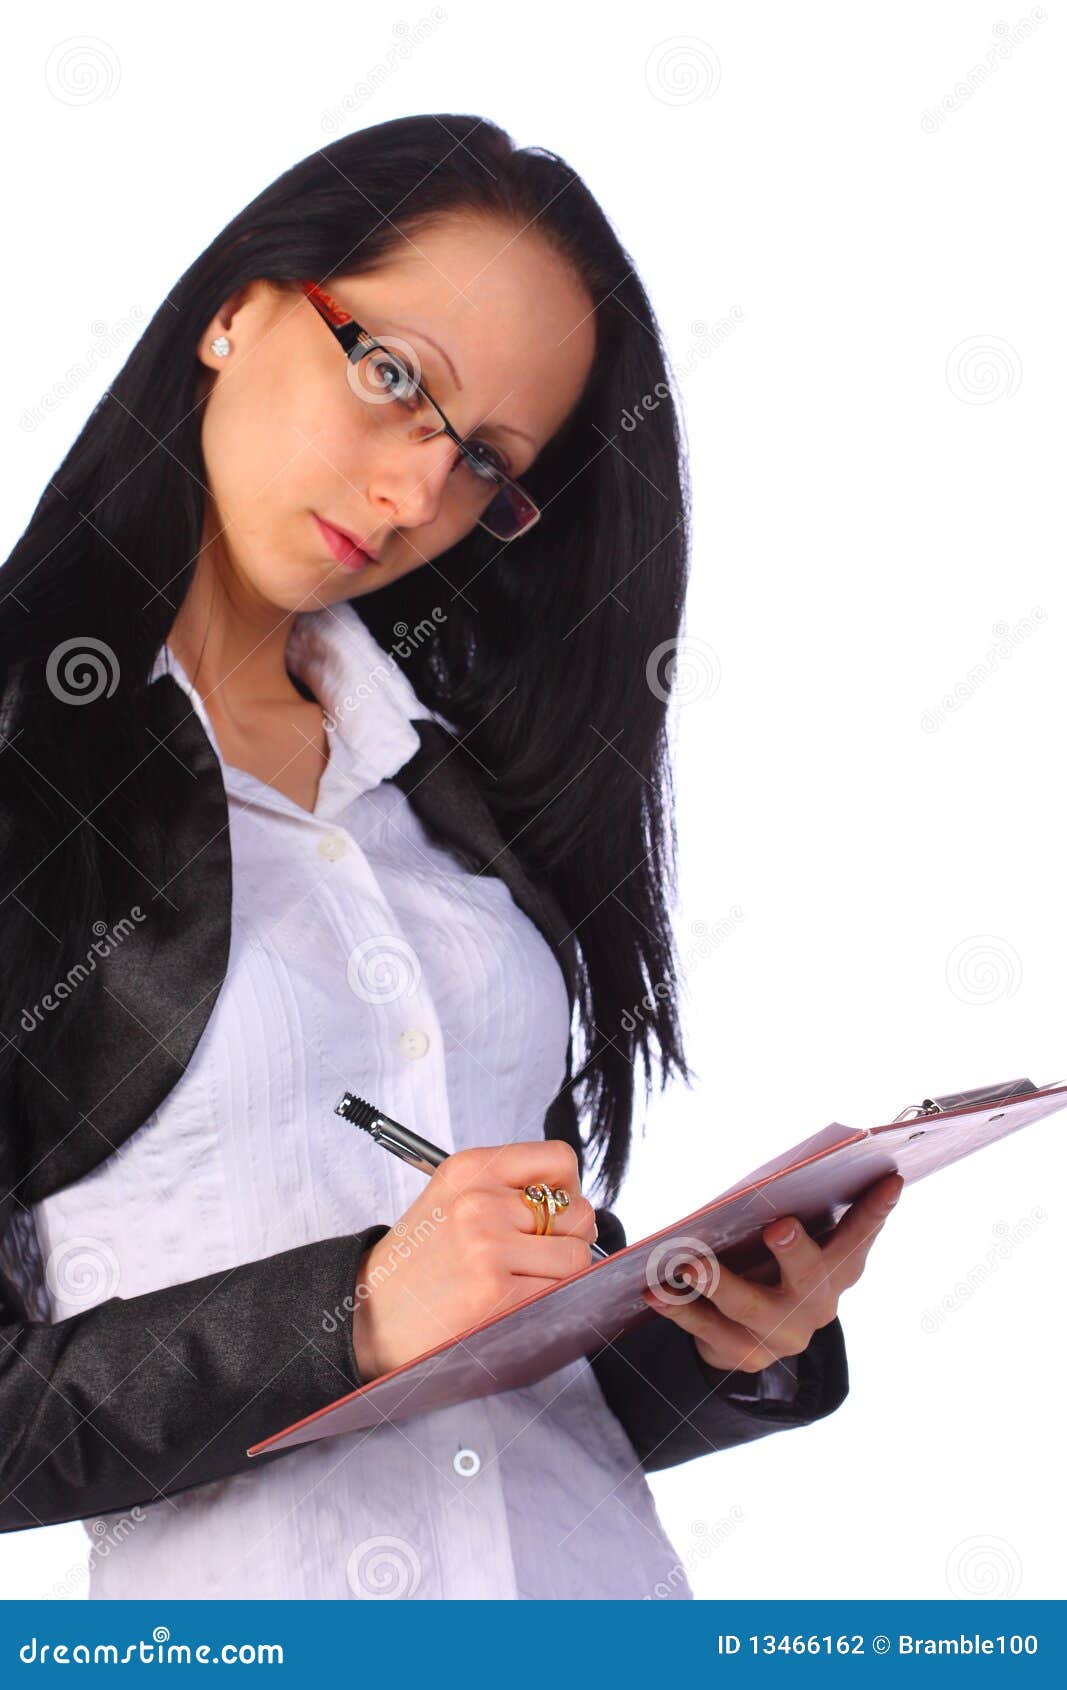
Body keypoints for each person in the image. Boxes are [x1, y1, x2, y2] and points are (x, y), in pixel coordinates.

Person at [0, 113, 901, 1599]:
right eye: (395, 376)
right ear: (237, 310)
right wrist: (347, 1313)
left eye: (484, 460)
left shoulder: (453, 781)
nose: (420, 495)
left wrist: (712, 1327)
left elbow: (493, 1362)